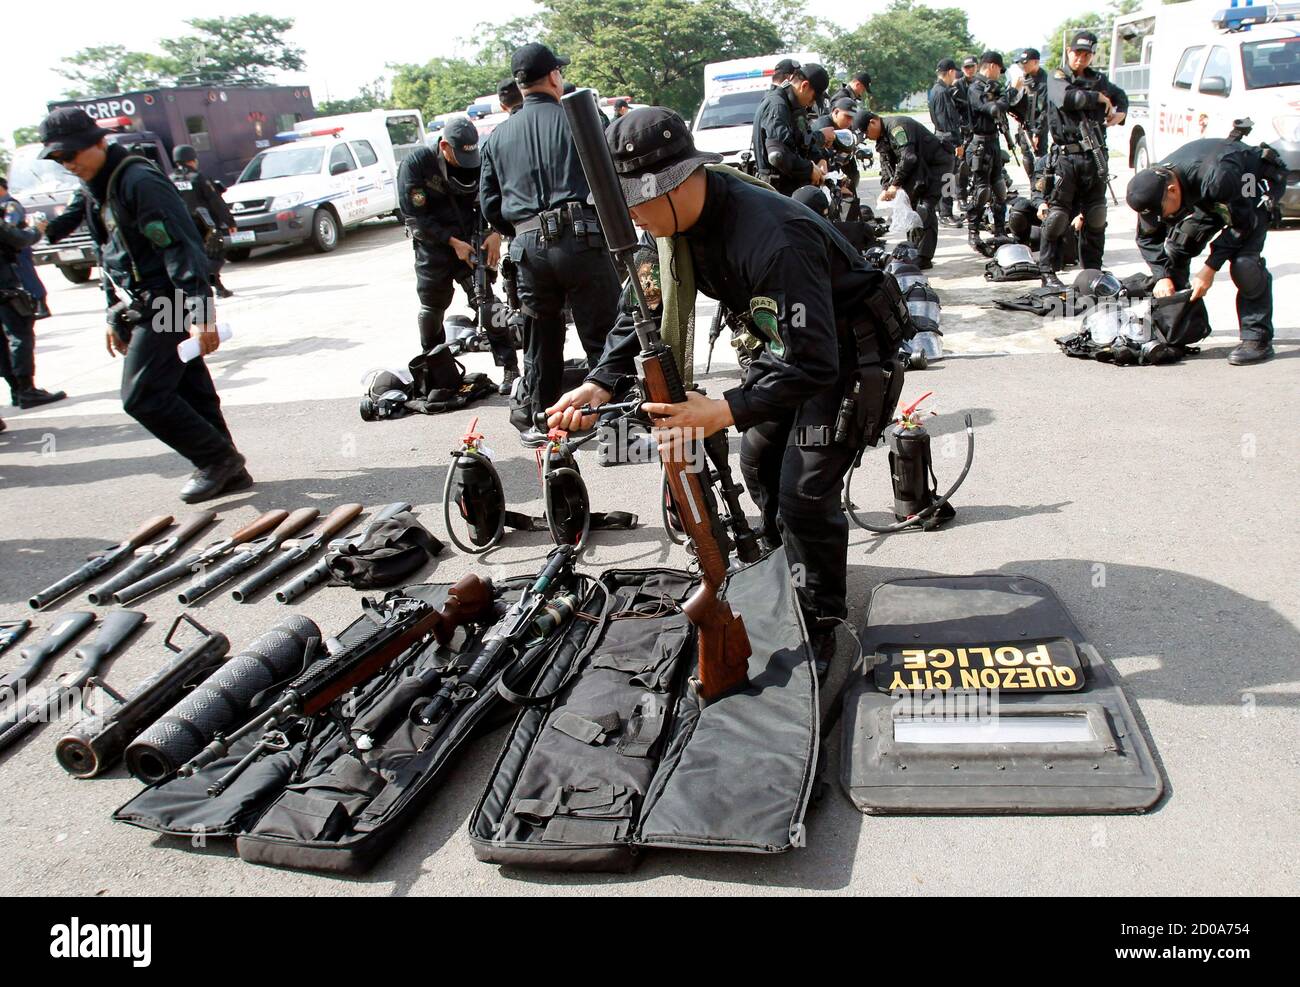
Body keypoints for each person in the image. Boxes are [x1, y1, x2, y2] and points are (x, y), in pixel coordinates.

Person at [547, 107, 912, 673]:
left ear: (675, 185)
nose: (635, 220)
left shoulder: (773, 237)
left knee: (804, 490)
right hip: (785, 347)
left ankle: (821, 618)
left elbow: (816, 361)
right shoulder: (672, 233)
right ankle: (787, 568)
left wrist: (722, 410)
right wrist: (598, 383)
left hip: (845, 354)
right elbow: (644, 308)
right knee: (761, 461)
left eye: (638, 203)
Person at [38, 107, 249, 503]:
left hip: (169, 302)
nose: (68, 165)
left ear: (100, 142)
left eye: (73, 155)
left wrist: (199, 312)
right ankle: (228, 469)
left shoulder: (139, 180)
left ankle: (219, 460)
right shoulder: (97, 184)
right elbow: (110, 254)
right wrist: (111, 311)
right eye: (60, 159)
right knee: (190, 389)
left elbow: (181, 248)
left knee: (143, 396)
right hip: (142, 302)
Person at [479, 43, 622, 446]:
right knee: (604, 336)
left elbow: (491, 206)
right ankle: (616, 429)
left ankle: (544, 428)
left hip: (527, 248)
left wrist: (525, 228)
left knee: (541, 344)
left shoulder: (498, 135)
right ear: (555, 76)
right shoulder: (580, 117)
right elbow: (609, 179)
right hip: (582, 240)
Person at [1127, 138, 1283, 365]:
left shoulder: (1217, 177)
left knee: (1244, 263)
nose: (1161, 219)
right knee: (1177, 249)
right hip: (1214, 196)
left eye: (1161, 212)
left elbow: (1243, 224)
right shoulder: (1154, 184)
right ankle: (1179, 327)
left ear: (1172, 190)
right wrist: (1162, 277)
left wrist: (1210, 268)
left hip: (1253, 186)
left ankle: (1257, 337)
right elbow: (1147, 237)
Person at [398, 117, 519, 392]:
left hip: (471, 243)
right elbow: (415, 219)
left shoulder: (477, 160)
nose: (467, 160)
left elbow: (494, 197)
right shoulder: (417, 164)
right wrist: (452, 242)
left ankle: (510, 367)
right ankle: (438, 370)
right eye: (459, 154)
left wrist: (495, 233)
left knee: (489, 305)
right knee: (431, 311)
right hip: (433, 248)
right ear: (444, 146)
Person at [1039, 30, 1128, 287]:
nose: (1081, 58)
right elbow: (1067, 98)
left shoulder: (1098, 78)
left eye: (1087, 54)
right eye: (1077, 53)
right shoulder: (1057, 77)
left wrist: (1120, 112)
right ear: (1069, 52)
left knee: (1096, 215)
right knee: (1057, 217)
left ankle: (1093, 272)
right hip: (1067, 158)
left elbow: (1120, 97)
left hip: (1095, 157)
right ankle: (1047, 272)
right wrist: (1098, 98)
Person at [857, 110, 950, 268]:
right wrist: (886, 188)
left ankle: (924, 257)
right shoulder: (882, 138)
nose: (868, 138)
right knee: (910, 207)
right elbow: (886, 165)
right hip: (919, 168)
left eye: (866, 133)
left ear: (873, 122)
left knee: (925, 207)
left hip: (937, 165)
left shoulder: (897, 127)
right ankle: (913, 250)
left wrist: (895, 185)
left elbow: (908, 157)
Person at [1, 206, 65, 408]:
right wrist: (37, 230)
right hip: (4, 289)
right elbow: (17, 238)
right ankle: (26, 389)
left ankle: (17, 390)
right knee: (20, 336)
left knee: (3, 343)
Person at [752, 62, 832, 195]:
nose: (812, 103)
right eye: (813, 98)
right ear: (804, 86)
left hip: (793, 188)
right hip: (778, 192)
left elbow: (804, 139)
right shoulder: (777, 106)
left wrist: (819, 159)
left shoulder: (794, 106)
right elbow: (778, 156)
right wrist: (809, 169)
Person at [168, 144, 237, 299]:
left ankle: (217, 287)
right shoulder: (198, 178)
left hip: (183, 225)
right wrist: (230, 221)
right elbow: (215, 201)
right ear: (191, 160)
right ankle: (209, 283)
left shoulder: (170, 179)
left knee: (197, 257)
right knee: (215, 256)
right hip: (206, 225)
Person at [965, 51, 1011, 250]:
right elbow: (992, 110)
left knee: (1000, 188)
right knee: (982, 190)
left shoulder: (994, 88)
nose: (999, 74)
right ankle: (973, 231)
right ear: (992, 66)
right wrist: (1008, 97)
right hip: (981, 143)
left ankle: (1000, 230)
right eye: (999, 70)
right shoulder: (976, 88)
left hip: (994, 141)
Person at [0, 177, 52, 319]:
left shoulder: (9, 205)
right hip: (11, 245)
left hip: (19, 245)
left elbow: (10, 224)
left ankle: (41, 304)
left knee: (27, 274)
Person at [928, 58, 966, 226]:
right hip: (946, 139)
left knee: (945, 177)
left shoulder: (936, 90)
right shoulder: (942, 92)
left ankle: (944, 211)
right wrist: (958, 143)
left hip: (941, 137)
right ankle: (946, 213)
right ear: (950, 72)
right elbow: (947, 121)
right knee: (948, 178)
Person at [1008, 48, 1048, 182]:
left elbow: (1045, 111)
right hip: (1024, 124)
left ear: (1036, 62)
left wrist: (1037, 132)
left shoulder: (1044, 81)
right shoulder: (1023, 79)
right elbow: (1011, 101)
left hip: (1038, 126)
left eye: (1025, 63)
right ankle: (1033, 183)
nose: (1022, 66)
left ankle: (1042, 187)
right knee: (1026, 154)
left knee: (1040, 157)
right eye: (1021, 63)